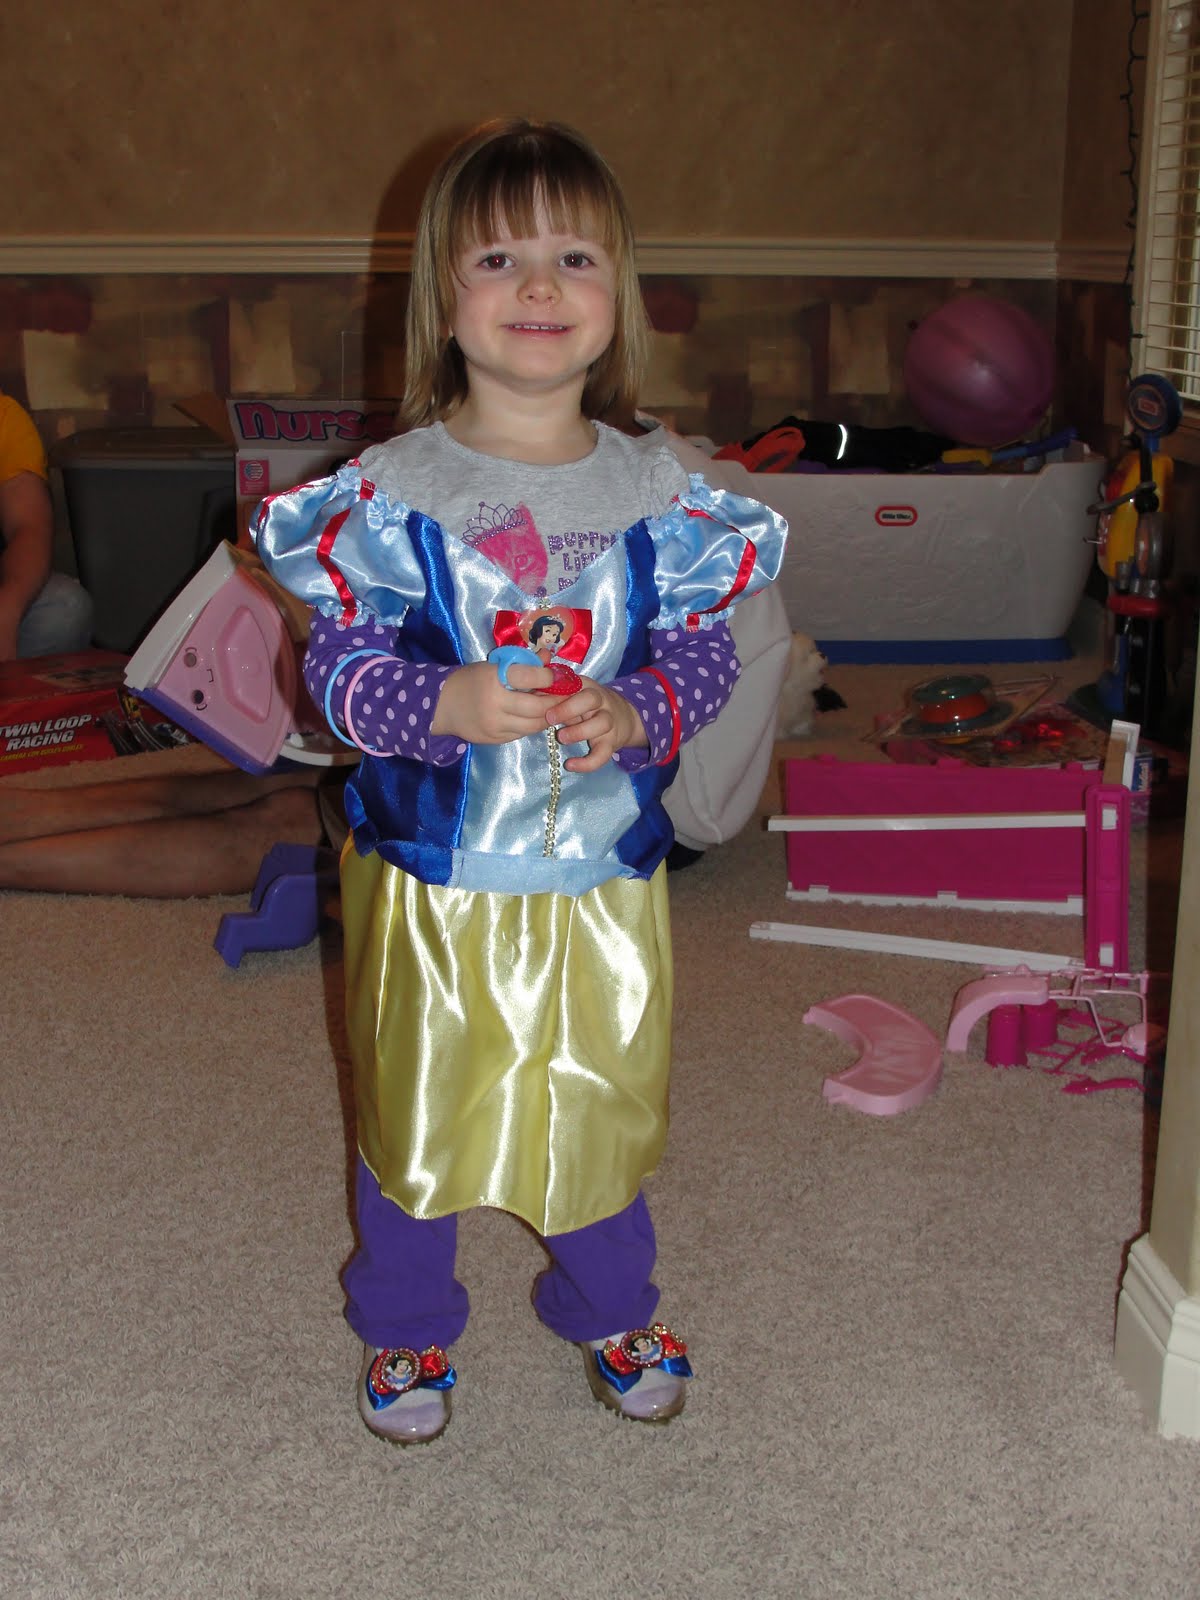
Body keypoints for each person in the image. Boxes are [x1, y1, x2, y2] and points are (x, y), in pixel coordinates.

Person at [261, 118, 790, 1446]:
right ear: (444, 295)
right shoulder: (390, 496)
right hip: (437, 887)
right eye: (497, 258)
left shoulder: (662, 491)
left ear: (619, 302)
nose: (539, 289)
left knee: (596, 1112)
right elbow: (334, 674)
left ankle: (611, 1304)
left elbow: (707, 662)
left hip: (599, 886)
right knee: (417, 1121)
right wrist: (437, 702)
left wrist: (642, 705)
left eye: (573, 258)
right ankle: (403, 1326)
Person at [0, 392, 93, 660]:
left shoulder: (5, 416)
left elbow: (29, 527)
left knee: (65, 606)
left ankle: (19, 699)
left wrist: (7, 610)